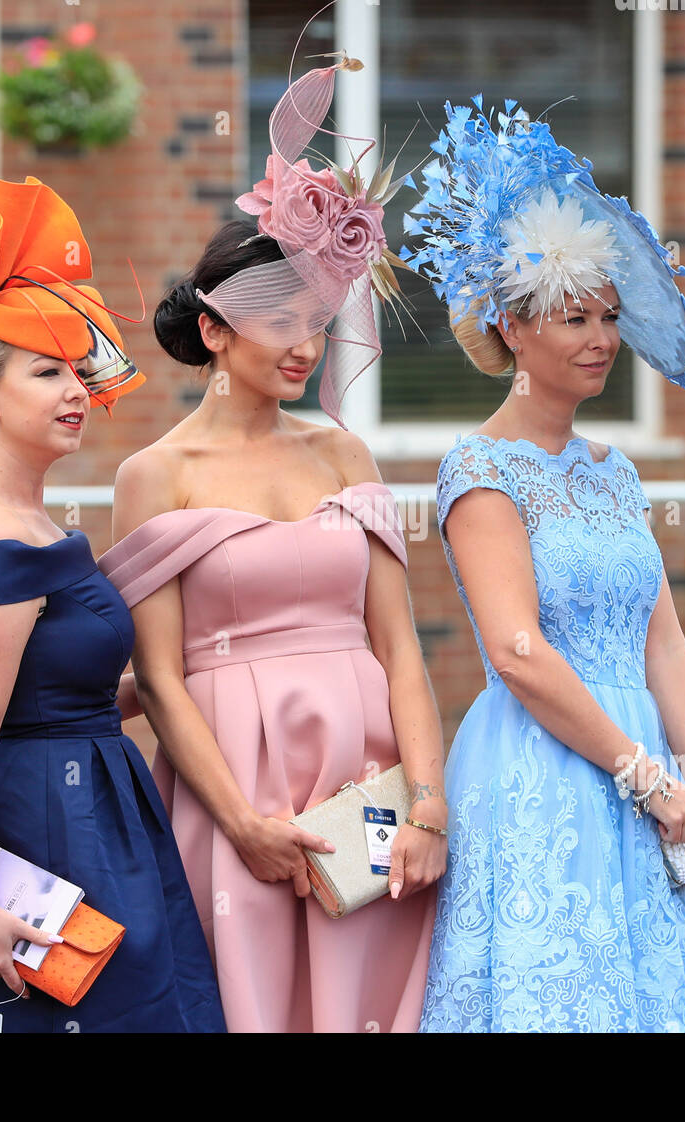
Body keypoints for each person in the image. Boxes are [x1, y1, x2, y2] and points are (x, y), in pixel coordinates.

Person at [401, 99, 685, 1031]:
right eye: (574, 318)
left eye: (608, 316)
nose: (602, 338)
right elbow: (519, 653)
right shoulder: (478, 471)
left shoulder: (618, 473)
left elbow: (669, 648)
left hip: (651, 765)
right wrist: (646, 777)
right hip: (542, 770)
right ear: (513, 331)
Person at [97, 55, 447, 1033]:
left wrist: (426, 805)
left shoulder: (345, 453)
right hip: (229, 787)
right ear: (212, 331)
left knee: (375, 1004)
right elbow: (158, 679)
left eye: (317, 325)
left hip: (363, 779)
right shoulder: (152, 476)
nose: (302, 345)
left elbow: (401, 650)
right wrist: (240, 822)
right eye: (279, 322)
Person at [0, 176, 225, 1033]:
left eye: (80, 371)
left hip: (96, 805)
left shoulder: (30, 518)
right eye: (47, 371)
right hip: (37, 829)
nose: (75, 392)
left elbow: (61, 692)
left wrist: (181, 679)